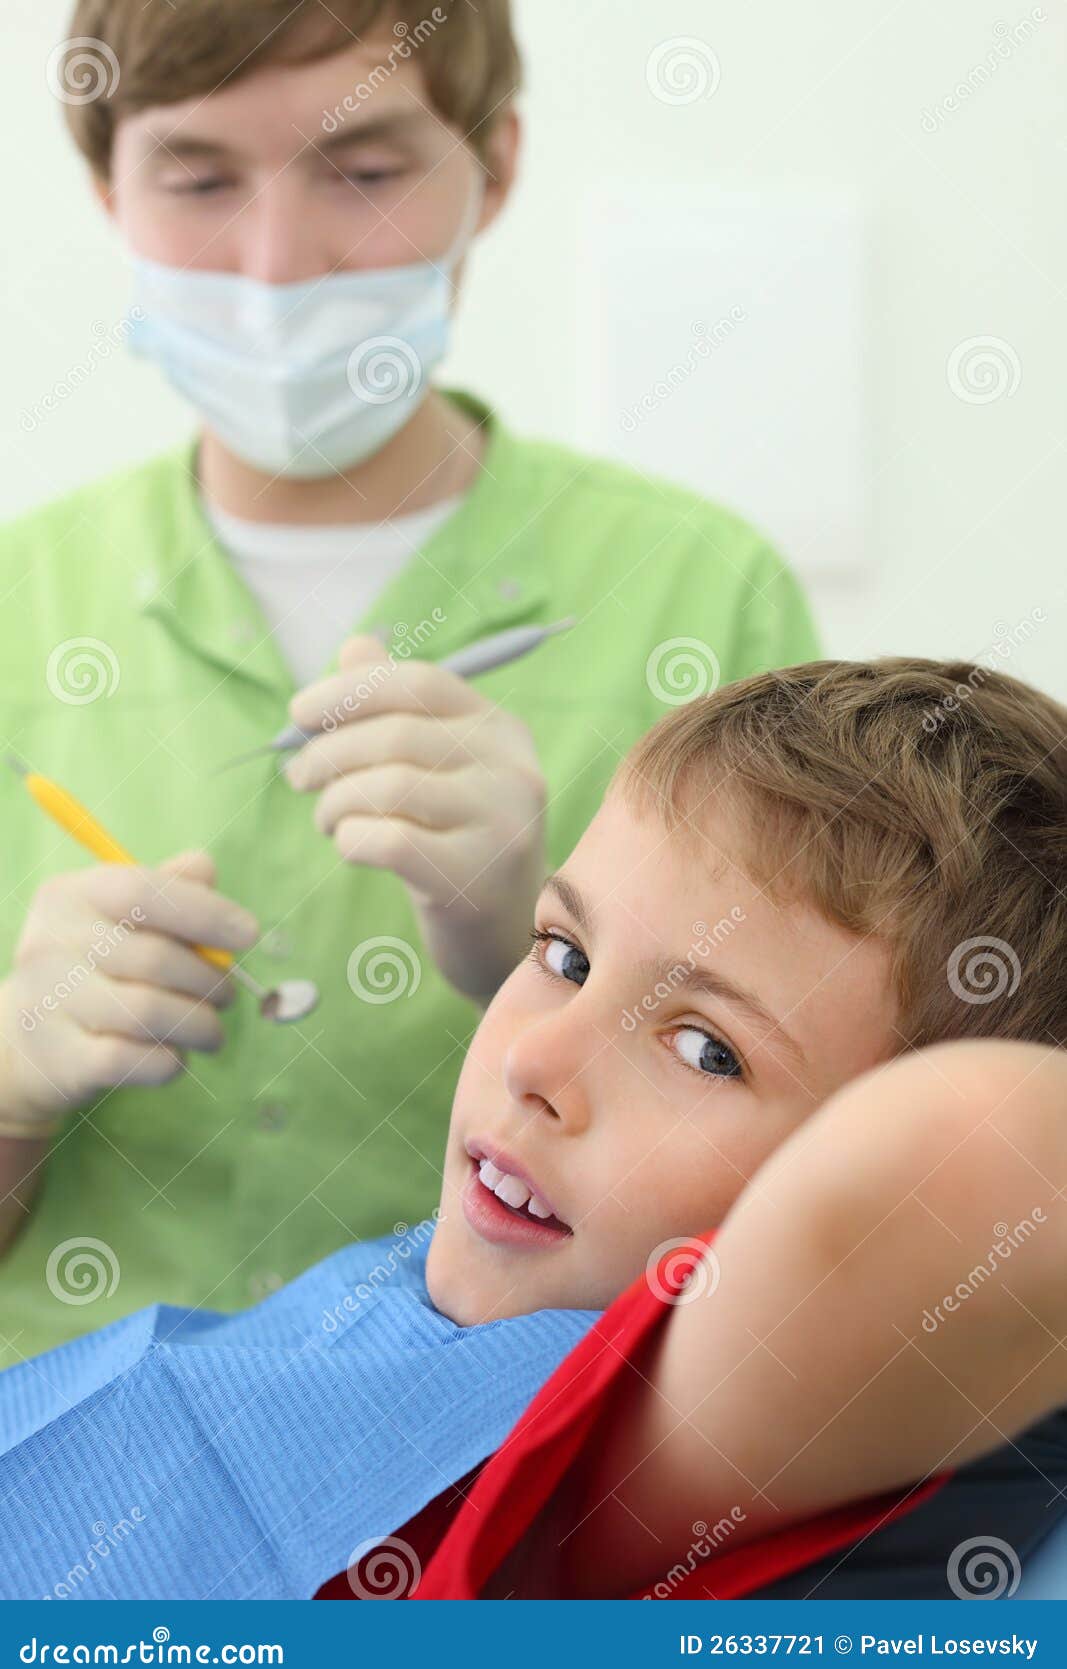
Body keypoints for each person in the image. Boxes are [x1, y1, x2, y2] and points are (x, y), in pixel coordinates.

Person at [0, 0, 819, 1364]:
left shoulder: (701, 591)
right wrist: (12, 1085)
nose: (279, 265)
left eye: (364, 172)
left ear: (492, 167)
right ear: (105, 189)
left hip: (509, 1516)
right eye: (200, 180)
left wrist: (535, 955)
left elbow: (810, 1208)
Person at [3, 658, 1066, 1602]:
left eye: (706, 1050)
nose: (533, 1061)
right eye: (562, 954)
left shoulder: (655, 1466)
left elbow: (986, 1149)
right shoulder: (446, 1277)